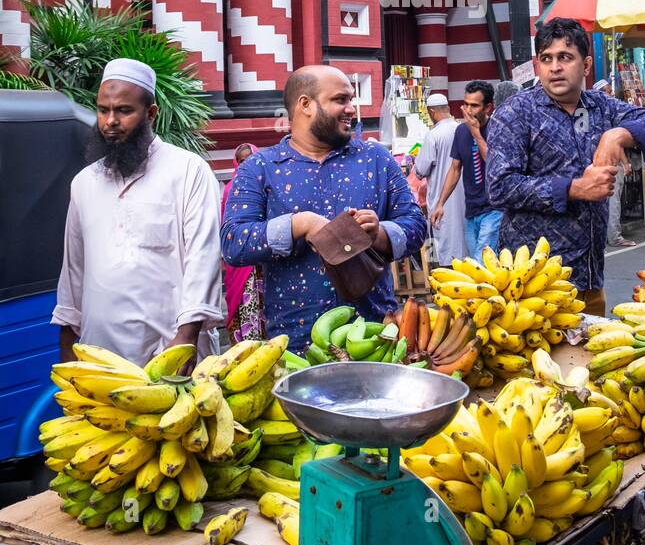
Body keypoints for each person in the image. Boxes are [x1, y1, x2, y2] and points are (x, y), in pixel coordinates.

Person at [221, 65, 425, 353]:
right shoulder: (260, 168)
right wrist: (299, 225)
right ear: (305, 104)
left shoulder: (376, 159)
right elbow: (233, 242)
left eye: (351, 100)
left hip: (375, 337)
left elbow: (416, 226)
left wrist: (379, 233)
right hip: (295, 344)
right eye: (340, 100)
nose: (352, 109)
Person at [485, 19, 645, 315]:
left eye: (565, 57)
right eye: (546, 59)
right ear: (537, 65)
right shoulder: (516, 112)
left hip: (589, 278)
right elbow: (499, 187)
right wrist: (575, 188)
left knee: (590, 360)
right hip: (532, 285)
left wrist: (619, 134)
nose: (555, 67)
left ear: (586, 65)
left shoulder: (601, 107)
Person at [52, 59, 223, 366]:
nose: (110, 121)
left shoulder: (188, 170)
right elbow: (73, 269)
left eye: (124, 111)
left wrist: (186, 338)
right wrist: (67, 344)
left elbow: (204, 257)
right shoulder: (84, 184)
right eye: (103, 110)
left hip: (170, 351)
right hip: (99, 356)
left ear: (151, 113)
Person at [430, 80, 502, 260]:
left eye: (475, 106)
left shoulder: (498, 129)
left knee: (481, 262)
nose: (469, 111)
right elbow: (455, 169)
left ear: (488, 108)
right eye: (466, 104)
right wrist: (440, 203)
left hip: (494, 209)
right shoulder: (460, 131)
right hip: (471, 211)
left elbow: (494, 164)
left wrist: (476, 133)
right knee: (474, 263)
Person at [413, 93, 466, 266]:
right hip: (465, 195)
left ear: (432, 112)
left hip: (441, 198)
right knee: (464, 238)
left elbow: (421, 169)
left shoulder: (433, 135)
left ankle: (447, 273)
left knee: (445, 241)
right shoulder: (462, 129)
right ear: (448, 109)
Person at [221, 142, 263, 342]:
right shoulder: (231, 188)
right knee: (243, 303)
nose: (247, 164)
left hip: (263, 255)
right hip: (240, 260)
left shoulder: (265, 182)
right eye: (242, 161)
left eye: (250, 159)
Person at [592, 78, 635, 250]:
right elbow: (616, 143)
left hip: (599, 163)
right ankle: (615, 237)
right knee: (613, 200)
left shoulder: (596, 113)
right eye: (608, 92)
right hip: (610, 163)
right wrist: (625, 163)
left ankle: (605, 235)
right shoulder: (607, 113)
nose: (612, 94)